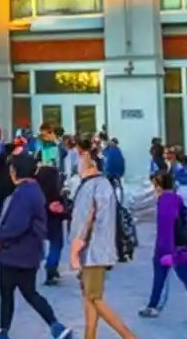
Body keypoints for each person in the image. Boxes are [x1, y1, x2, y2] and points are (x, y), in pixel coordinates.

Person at [0, 153, 72, 339]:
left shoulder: (24, 193)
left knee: (8, 293)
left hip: (15, 253)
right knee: (29, 292)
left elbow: (17, 223)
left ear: (16, 171)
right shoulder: (34, 190)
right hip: (29, 252)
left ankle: (4, 331)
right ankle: (55, 326)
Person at [69, 138, 136, 339]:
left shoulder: (93, 185)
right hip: (96, 250)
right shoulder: (101, 184)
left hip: (92, 251)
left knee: (94, 297)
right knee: (89, 297)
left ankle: (129, 336)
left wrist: (75, 249)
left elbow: (87, 218)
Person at [139, 171, 187, 324]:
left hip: (168, 246)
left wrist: (165, 249)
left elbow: (166, 226)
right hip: (181, 243)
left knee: (162, 275)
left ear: (157, 185)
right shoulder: (177, 198)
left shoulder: (164, 200)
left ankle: (154, 305)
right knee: (185, 276)